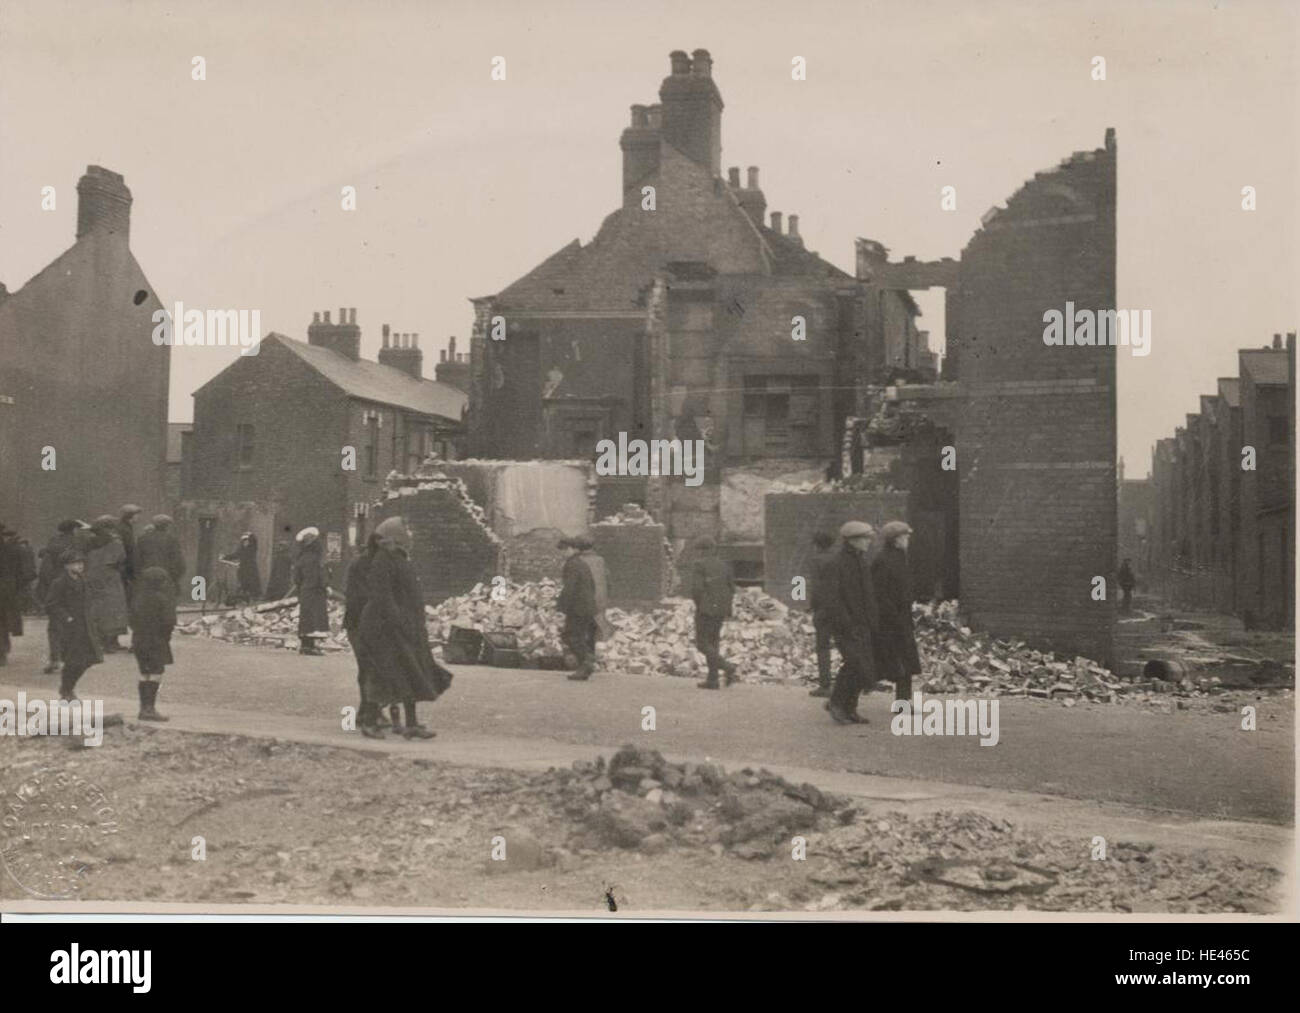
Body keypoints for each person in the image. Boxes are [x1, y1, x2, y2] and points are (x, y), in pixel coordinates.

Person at [358, 517, 450, 738]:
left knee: (411, 672)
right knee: (383, 674)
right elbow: (383, 597)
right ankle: (369, 722)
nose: (410, 534)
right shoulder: (383, 559)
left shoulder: (399, 558)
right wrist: (399, 621)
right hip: (385, 628)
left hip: (405, 626)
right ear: (396, 535)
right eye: (406, 530)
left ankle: (411, 724)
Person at [821, 520, 881, 725]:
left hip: (863, 623)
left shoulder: (861, 562)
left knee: (862, 665)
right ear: (852, 541)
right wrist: (846, 623)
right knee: (854, 663)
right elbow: (833, 598)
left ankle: (850, 707)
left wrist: (872, 621)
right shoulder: (836, 564)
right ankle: (837, 703)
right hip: (846, 625)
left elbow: (868, 595)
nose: (868, 543)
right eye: (865, 539)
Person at [871, 521, 922, 705]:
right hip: (889, 621)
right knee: (876, 664)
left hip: (900, 619)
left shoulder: (900, 557)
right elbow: (880, 593)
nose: (908, 539)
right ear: (895, 539)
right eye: (904, 536)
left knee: (904, 663)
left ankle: (903, 703)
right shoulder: (883, 560)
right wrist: (894, 616)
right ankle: (842, 699)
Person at [344, 533, 388, 738]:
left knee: (369, 668)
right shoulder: (364, 564)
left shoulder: (379, 563)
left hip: (372, 624)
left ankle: (366, 712)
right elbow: (362, 596)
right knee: (372, 668)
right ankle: (370, 718)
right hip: (361, 623)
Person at [45, 550, 103, 701]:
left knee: (89, 659)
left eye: (81, 563)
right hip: (69, 628)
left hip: (85, 626)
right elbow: (51, 604)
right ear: (66, 566)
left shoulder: (83, 580)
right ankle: (66, 691)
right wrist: (67, 618)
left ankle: (67, 688)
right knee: (73, 660)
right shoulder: (59, 583)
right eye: (76, 563)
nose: (80, 566)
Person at [689, 536, 737, 690]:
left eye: (699, 551)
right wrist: (726, 607)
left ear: (703, 551)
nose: (698, 554)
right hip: (721, 609)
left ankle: (728, 667)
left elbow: (697, 589)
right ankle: (713, 680)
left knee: (702, 644)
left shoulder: (699, 565)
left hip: (706, 608)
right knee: (713, 642)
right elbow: (732, 588)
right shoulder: (725, 565)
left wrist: (700, 605)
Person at [556, 536, 606, 681]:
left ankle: (587, 662)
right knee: (575, 635)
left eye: (564, 550)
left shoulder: (572, 564)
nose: (562, 553)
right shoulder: (581, 563)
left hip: (578, 607)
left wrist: (561, 607)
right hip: (586, 606)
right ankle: (585, 665)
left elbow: (569, 588)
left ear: (572, 549)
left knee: (571, 636)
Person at [36, 520, 83, 673]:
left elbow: (45, 571)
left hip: (55, 586)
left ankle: (55, 659)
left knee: (55, 626)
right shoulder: (77, 543)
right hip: (73, 585)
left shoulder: (52, 543)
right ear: (74, 529)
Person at [130, 566, 176, 721]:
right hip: (156, 641)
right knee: (156, 673)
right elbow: (169, 622)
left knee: (144, 673)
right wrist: (165, 637)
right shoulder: (163, 599)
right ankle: (150, 708)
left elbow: (131, 620)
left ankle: (143, 708)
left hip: (139, 640)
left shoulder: (138, 598)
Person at [85, 516, 130, 651]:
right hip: (111, 576)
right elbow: (120, 558)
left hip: (93, 575)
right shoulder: (115, 541)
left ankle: (100, 641)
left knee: (98, 608)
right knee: (114, 608)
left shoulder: (89, 540)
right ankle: (111, 642)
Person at [807, 531, 838, 698]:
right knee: (846, 646)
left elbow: (816, 587)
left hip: (824, 609)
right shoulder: (839, 559)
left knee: (823, 646)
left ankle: (825, 685)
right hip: (841, 608)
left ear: (816, 545)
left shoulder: (816, 560)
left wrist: (812, 606)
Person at [291, 527, 330, 655]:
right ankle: (309, 646)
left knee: (306, 617)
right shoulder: (316, 558)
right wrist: (325, 585)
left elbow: (296, 577)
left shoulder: (302, 557)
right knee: (314, 618)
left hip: (305, 590)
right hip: (316, 590)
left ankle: (306, 645)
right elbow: (319, 575)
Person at [134, 514, 185, 588]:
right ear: (166, 526)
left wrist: (138, 574)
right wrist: (175, 577)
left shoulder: (142, 539)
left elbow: (136, 559)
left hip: (146, 575)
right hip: (165, 575)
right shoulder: (171, 539)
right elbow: (177, 560)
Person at [0, 524, 26, 666]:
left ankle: (2, 651)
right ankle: (3, 650)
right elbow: (22, 572)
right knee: (3, 620)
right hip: (8, 590)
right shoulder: (13, 549)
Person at [222, 532, 263, 604]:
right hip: (242, 569)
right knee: (242, 584)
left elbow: (254, 541)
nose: (245, 542)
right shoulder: (241, 549)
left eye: (247, 541)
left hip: (250, 569)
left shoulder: (252, 549)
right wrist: (225, 557)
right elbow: (235, 554)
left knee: (251, 585)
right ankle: (242, 599)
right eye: (244, 541)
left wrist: (250, 535)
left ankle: (251, 599)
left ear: (250, 542)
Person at [116, 504, 142, 597]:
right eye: (136, 514)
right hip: (125, 568)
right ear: (130, 516)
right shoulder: (124, 529)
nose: (138, 517)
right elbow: (129, 550)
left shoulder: (126, 527)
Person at [264, 533, 294, 601]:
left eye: (282, 546)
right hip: (277, 574)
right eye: (280, 546)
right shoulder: (279, 556)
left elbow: (291, 565)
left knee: (282, 587)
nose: (280, 548)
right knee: (276, 586)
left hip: (283, 574)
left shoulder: (287, 556)